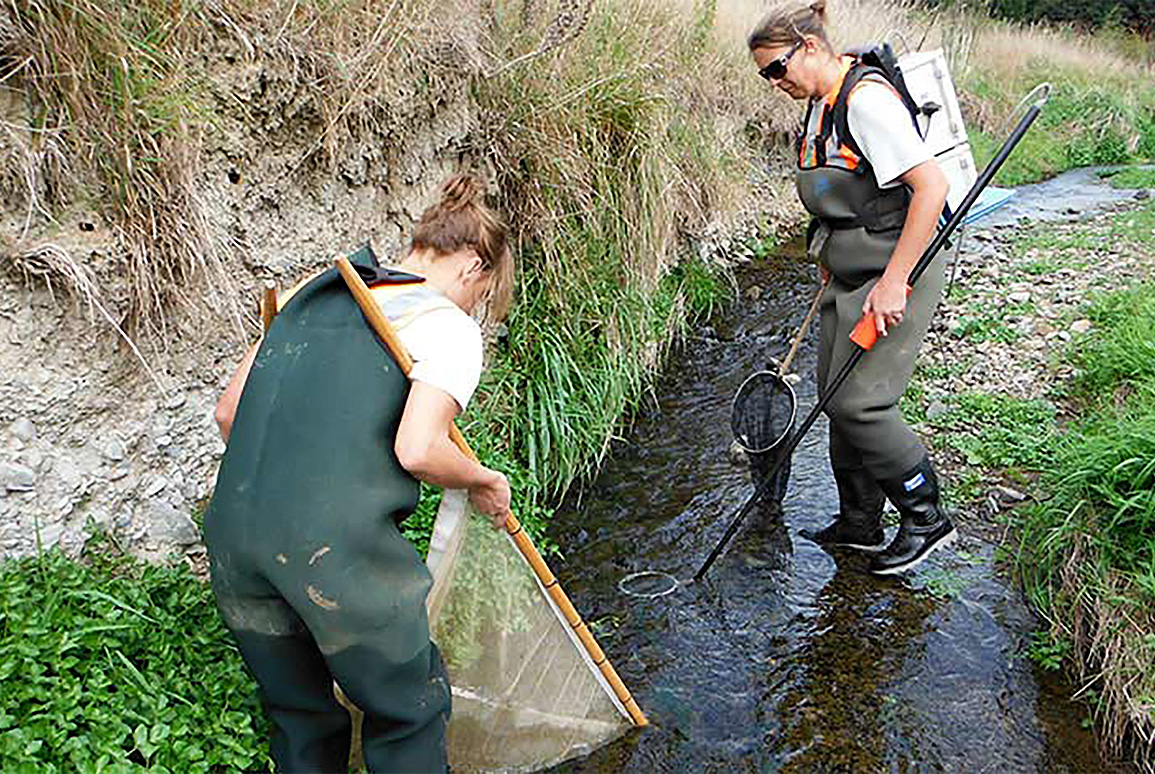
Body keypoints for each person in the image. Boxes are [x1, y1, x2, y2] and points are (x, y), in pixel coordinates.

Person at [204, 174, 515, 772]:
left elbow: (229, 415)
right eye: (483, 294)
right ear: (474, 265)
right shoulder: (447, 325)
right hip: (334, 556)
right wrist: (481, 479)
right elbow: (418, 449)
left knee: (299, 715)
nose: (475, 307)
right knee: (408, 713)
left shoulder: (312, 293)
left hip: (234, 546)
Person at [747, 1, 957, 575]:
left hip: (897, 270)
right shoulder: (819, 106)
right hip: (848, 273)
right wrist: (827, 260)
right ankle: (860, 522)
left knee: (862, 403)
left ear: (811, 47)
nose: (775, 82)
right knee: (833, 395)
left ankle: (926, 517)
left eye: (777, 68)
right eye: (766, 75)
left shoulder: (865, 101)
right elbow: (842, 199)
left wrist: (895, 283)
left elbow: (931, 187)